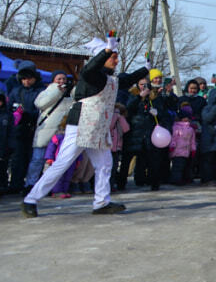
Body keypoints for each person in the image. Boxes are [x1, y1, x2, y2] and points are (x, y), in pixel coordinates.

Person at [22, 38, 148, 217]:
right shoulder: (91, 75)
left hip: (98, 128)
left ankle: (101, 202)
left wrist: (146, 69)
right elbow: (89, 70)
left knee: (105, 164)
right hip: (81, 124)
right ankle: (30, 200)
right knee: (62, 163)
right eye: (113, 56)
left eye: (116, 56)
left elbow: (127, 80)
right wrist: (106, 51)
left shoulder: (110, 79)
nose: (116, 60)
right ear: (101, 57)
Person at [29, 72, 74, 189]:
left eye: (64, 78)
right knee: (37, 159)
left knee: (53, 162)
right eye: (59, 79)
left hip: (60, 133)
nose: (62, 81)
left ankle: (48, 186)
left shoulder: (69, 95)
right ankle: (30, 184)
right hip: (45, 131)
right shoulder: (47, 92)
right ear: (53, 80)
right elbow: (40, 104)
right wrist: (57, 91)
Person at [5, 60, 44, 194]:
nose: (26, 81)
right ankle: (15, 184)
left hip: (34, 129)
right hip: (18, 130)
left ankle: (30, 184)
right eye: (23, 78)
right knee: (17, 158)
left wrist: (28, 114)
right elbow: (8, 109)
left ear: (35, 77)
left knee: (32, 158)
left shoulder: (41, 91)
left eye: (29, 78)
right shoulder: (15, 91)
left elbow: (43, 110)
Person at [168, 106, 199, 185]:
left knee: (185, 166)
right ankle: (175, 180)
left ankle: (184, 179)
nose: (186, 119)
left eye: (188, 118)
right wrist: (172, 146)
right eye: (185, 117)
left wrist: (193, 149)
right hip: (177, 150)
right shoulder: (176, 127)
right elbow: (174, 137)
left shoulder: (190, 128)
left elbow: (192, 140)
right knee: (177, 166)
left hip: (186, 151)